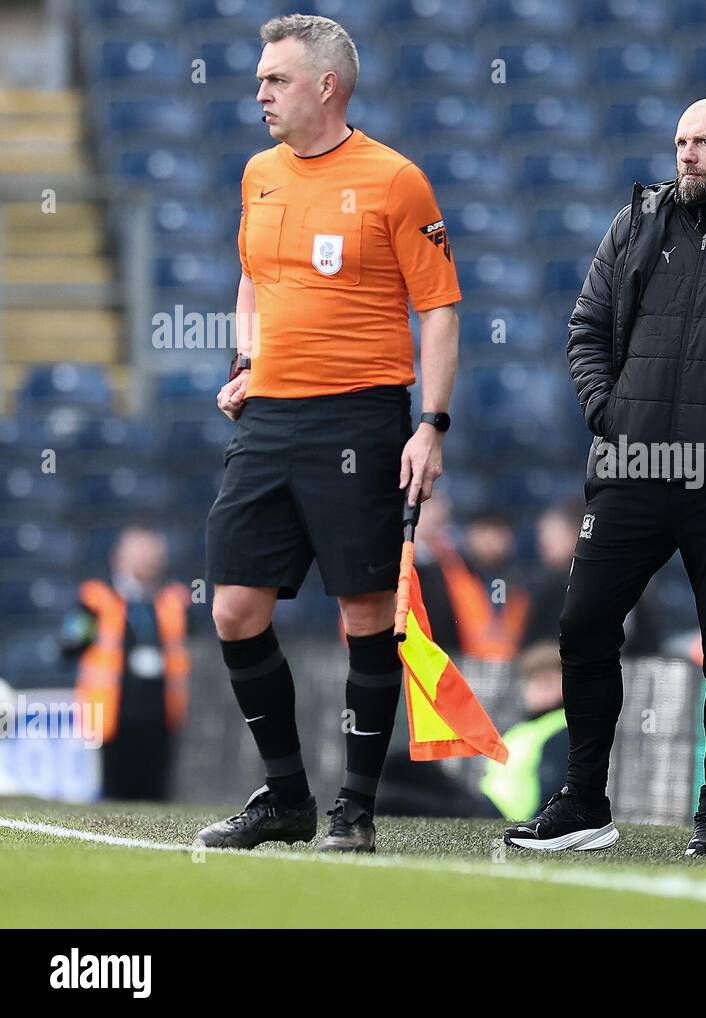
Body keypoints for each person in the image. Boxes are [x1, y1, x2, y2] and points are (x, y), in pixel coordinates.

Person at [504, 98, 706, 857]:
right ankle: (583, 803)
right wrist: (608, 414)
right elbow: (586, 326)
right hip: (631, 468)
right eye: (680, 141)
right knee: (581, 628)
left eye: (704, 142)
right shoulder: (637, 221)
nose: (686, 154)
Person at [194, 14, 461, 854]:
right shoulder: (257, 173)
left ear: (326, 86)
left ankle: (357, 809)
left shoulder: (395, 180)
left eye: (275, 79)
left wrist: (432, 427)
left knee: (365, 611)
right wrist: (247, 357)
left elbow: (441, 311)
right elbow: (252, 276)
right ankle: (285, 797)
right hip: (268, 416)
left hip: (361, 414)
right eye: (260, 78)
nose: (260, 92)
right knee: (234, 608)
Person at [66, 526, 190, 801]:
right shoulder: (96, 599)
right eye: (139, 552)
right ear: (118, 557)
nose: (147, 560)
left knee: (156, 797)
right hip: (111, 717)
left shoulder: (173, 601)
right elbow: (69, 645)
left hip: (160, 716)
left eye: (153, 553)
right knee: (112, 795)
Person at [416, 509, 531, 662]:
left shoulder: (516, 582)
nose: (491, 541)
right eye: (485, 531)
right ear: (471, 534)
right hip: (453, 662)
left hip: (506, 667)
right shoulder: (444, 574)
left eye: (498, 533)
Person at [481, 642, 569, 822]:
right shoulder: (521, 729)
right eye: (533, 681)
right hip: (489, 809)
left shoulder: (564, 729)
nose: (539, 689)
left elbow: (554, 794)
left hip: (509, 818)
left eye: (548, 682)